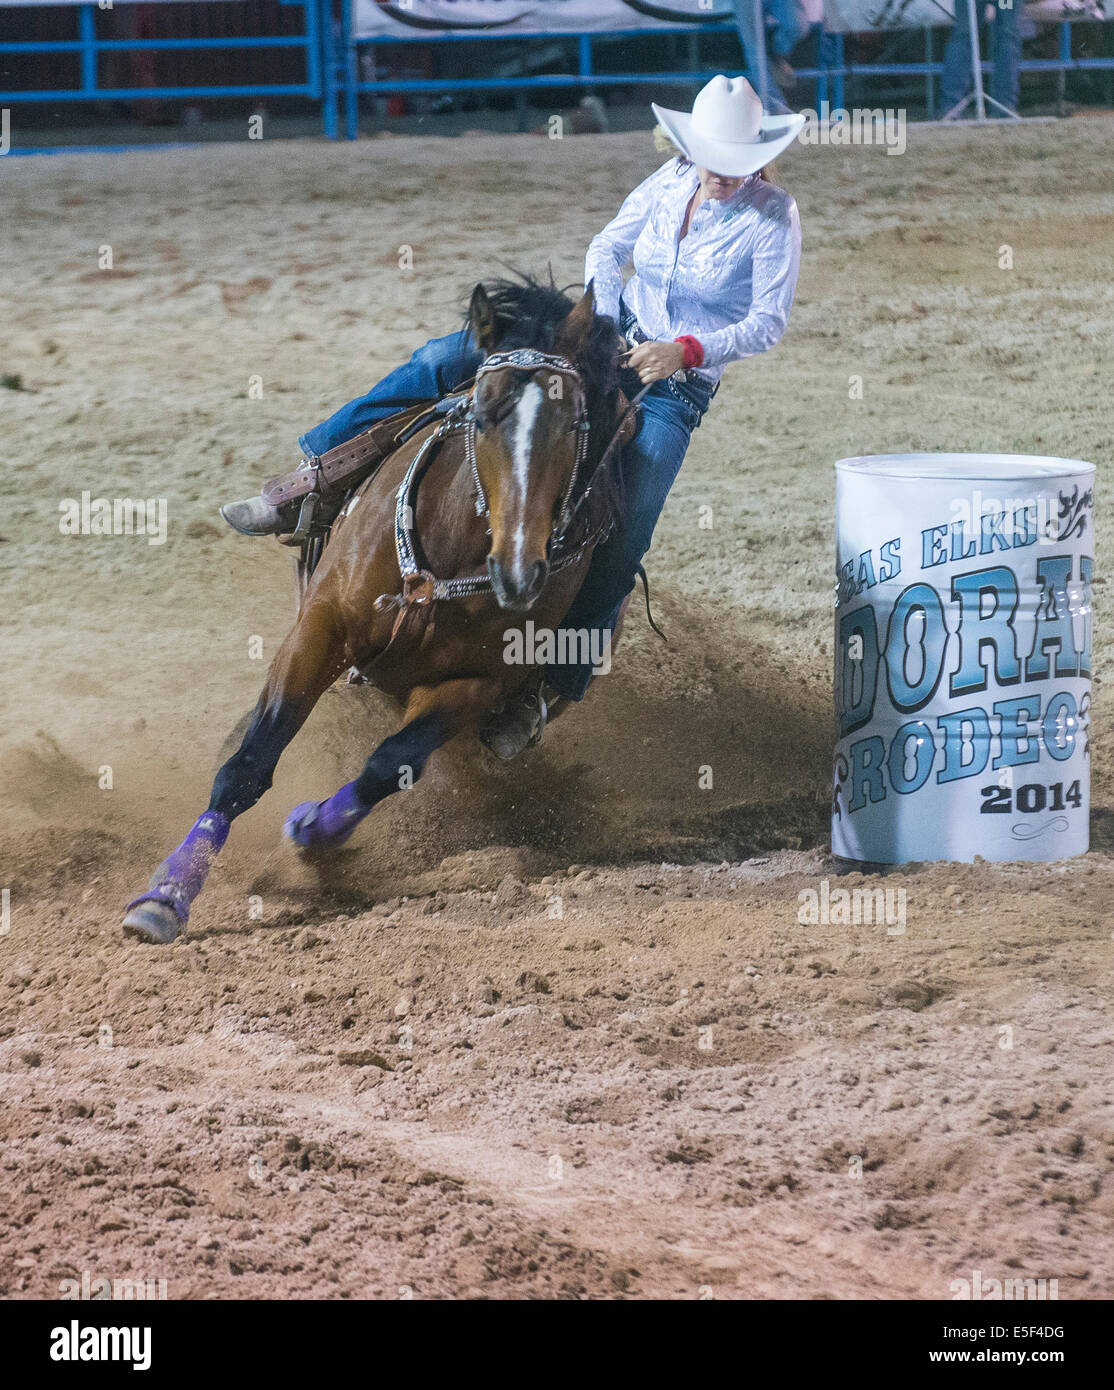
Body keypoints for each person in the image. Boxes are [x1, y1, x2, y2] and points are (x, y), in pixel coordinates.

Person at [222, 75, 805, 759]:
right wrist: (603, 327)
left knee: (626, 532)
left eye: (737, 164)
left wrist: (684, 351)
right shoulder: (670, 180)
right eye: (714, 158)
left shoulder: (774, 216)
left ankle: (546, 684)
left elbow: (767, 322)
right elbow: (607, 248)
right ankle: (313, 479)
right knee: (449, 357)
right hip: (606, 339)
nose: (724, 174)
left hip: (675, 388)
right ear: (692, 147)